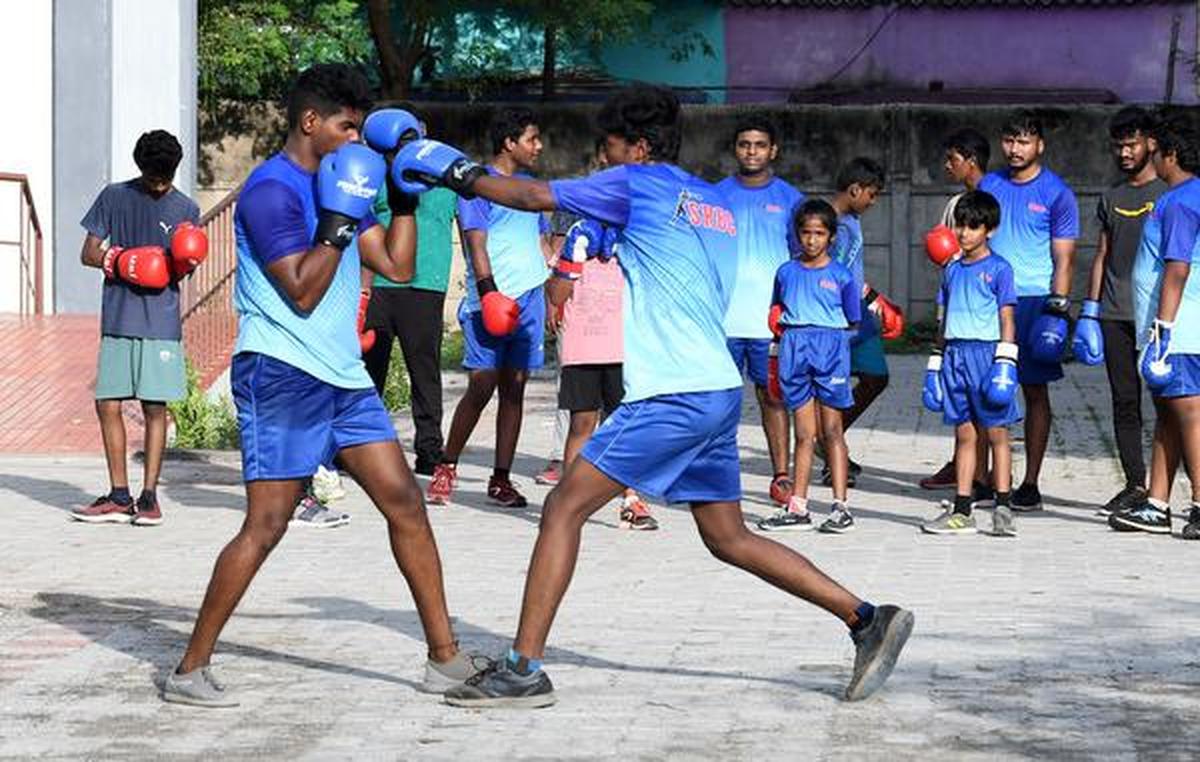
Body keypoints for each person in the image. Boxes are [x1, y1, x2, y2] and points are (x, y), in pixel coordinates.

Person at [392, 84, 913, 708]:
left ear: (637, 147)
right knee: (728, 538)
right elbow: (666, 259)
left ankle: (523, 668)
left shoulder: (635, 183)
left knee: (561, 508)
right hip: (715, 389)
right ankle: (866, 618)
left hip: (672, 395)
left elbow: (528, 194)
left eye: (610, 148)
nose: (604, 160)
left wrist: (448, 164)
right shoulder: (709, 202)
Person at [163, 66, 484, 707]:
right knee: (267, 524)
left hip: (342, 378)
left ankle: (443, 659)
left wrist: (407, 196)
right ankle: (189, 670)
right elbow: (304, 291)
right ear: (311, 121)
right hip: (282, 372)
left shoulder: (344, 182)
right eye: (346, 125)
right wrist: (338, 219)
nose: (354, 137)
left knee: (406, 505)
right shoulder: (270, 191)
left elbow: (394, 263)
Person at [72, 130, 202, 527]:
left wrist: (183, 262)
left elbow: (184, 266)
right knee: (107, 404)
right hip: (118, 314)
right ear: (140, 168)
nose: (158, 186)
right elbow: (88, 253)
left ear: (174, 171)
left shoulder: (187, 208)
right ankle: (117, 494)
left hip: (161, 321)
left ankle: (149, 498)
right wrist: (124, 261)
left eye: (164, 179)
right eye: (152, 178)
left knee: (154, 406)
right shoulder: (113, 195)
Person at [427, 107, 553, 508]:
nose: (539, 146)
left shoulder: (533, 187)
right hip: (490, 299)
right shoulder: (477, 184)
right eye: (532, 138)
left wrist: (556, 285)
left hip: (530, 298)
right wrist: (491, 293)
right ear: (509, 142)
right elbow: (476, 244)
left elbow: (544, 244)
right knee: (481, 384)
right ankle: (447, 464)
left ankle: (500, 479)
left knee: (515, 390)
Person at [979, 111, 1079, 512]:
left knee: (1034, 390)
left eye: (1024, 141)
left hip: (1037, 302)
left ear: (1040, 144)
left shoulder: (1058, 193)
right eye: (1009, 140)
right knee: (985, 387)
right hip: (990, 300)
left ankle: (1031, 482)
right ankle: (984, 479)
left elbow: (1065, 257)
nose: (1015, 149)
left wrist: (1058, 307)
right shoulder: (990, 184)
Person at [1109, 110, 1200, 540]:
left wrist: (1163, 332)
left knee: (1190, 416)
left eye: (1159, 153)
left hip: (1180, 332)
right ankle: (1157, 504)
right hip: (1175, 330)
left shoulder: (1180, 202)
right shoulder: (1187, 196)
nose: (1156, 162)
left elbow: (1177, 269)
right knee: (1167, 414)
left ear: (1172, 154)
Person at [362, 104, 458, 477]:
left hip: (427, 285)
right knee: (370, 371)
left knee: (425, 372)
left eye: (413, 132)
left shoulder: (447, 177)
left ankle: (429, 450)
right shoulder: (377, 174)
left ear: (424, 131)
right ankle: (360, 447)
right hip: (382, 284)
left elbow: (471, 228)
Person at [919, 191, 1020, 536]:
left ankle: (1003, 507)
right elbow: (941, 319)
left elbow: (1007, 317)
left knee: (997, 434)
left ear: (989, 230)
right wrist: (935, 363)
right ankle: (962, 509)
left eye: (973, 226)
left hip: (988, 355)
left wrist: (1006, 361)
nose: (964, 233)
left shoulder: (999, 269)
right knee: (964, 435)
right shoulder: (951, 271)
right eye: (960, 225)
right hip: (955, 356)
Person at [716, 114, 805, 507]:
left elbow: (806, 257)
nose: (751, 152)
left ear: (773, 150)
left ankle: (781, 476)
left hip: (770, 323)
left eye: (759, 145)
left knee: (773, 398)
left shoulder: (791, 199)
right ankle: (713, 475)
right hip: (722, 319)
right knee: (718, 399)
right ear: (735, 149)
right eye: (744, 144)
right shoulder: (715, 195)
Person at [1082, 107, 1166, 517]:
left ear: (1152, 143)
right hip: (1115, 315)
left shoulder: (1170, 194)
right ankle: (1135, 483)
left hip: (1159, 317)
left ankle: (1167, 493)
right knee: (1124, 401)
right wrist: (1090, 310)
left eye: (1131, 143)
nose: (1125, 152)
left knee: (1171, 405)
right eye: (1118, 145)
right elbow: (1102, 254)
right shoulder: (1111, 196)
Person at [547, 219, 658, 530]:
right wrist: (573, 256)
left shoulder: (632, 243)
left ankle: (631, 499)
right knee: (582, 424)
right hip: (582, 349)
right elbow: (556, 295)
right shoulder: (578, 237)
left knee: (622, 426)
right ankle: (567, 501)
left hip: (623, 350)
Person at [756, 200, 858, 534]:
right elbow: (776, 310)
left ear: (831, 237)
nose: (812, 240)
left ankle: (840, 507)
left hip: (830, 349)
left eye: (819, 233)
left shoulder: (841, 276)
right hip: (793, 349)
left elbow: (853, 320)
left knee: (832, 430)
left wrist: (834, 348)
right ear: (797, 234)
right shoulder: (785, 272)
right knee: (803, 434)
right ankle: (798, 506)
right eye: (806, 233)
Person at [921, 128, 992, 492]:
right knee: (960, 395)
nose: (947, 166)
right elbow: (945, 255)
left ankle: (988, 477)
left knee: (990, 398)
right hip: (954, 307)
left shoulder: (994, 199)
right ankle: (964, 466)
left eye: (953, 159)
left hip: (985, 315)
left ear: (971, 160)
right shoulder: (954, 205)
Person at [825, 157, 902, 487]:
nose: (874, 201)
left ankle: (829, 440)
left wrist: (873, 300)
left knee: (876, 377)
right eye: (872, 194)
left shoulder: (852, 220)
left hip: (857, 312)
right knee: (831, 391)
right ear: (854, 189)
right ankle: (832, 455)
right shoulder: (822, 223)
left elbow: (851, 270)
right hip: (831, 320)